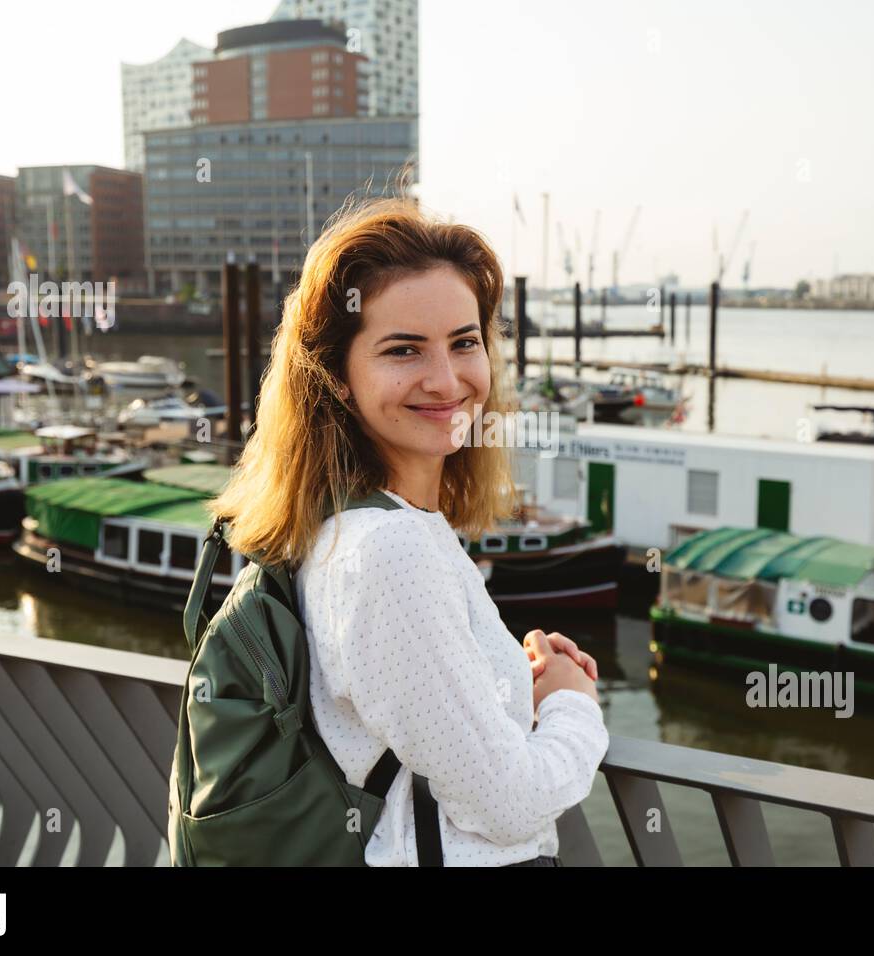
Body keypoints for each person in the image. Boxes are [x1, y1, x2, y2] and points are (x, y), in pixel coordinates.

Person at [211, 195, 609, 866]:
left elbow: (394, 705)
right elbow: (506, 805)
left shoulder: (348, 523)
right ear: (337, 377)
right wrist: (572, 704)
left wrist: (509, 672)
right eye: (403, 350)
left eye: (464, 342)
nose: (447, 380)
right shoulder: (388, 550)